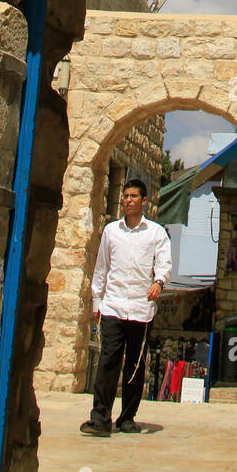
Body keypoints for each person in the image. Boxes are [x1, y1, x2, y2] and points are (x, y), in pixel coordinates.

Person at [80, 178, 171, 436]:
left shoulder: (155, 233)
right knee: (108, 360)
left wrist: (159, 282)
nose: (128, 200)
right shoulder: (111, 231)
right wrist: (97, 301)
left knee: (135, 364)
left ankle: (128, 417)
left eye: (133, 196)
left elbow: (164, 263)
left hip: (141, 307)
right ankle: (100, 417)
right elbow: (102, 268)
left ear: (144, 201)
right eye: (125, 196)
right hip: (114, 305)